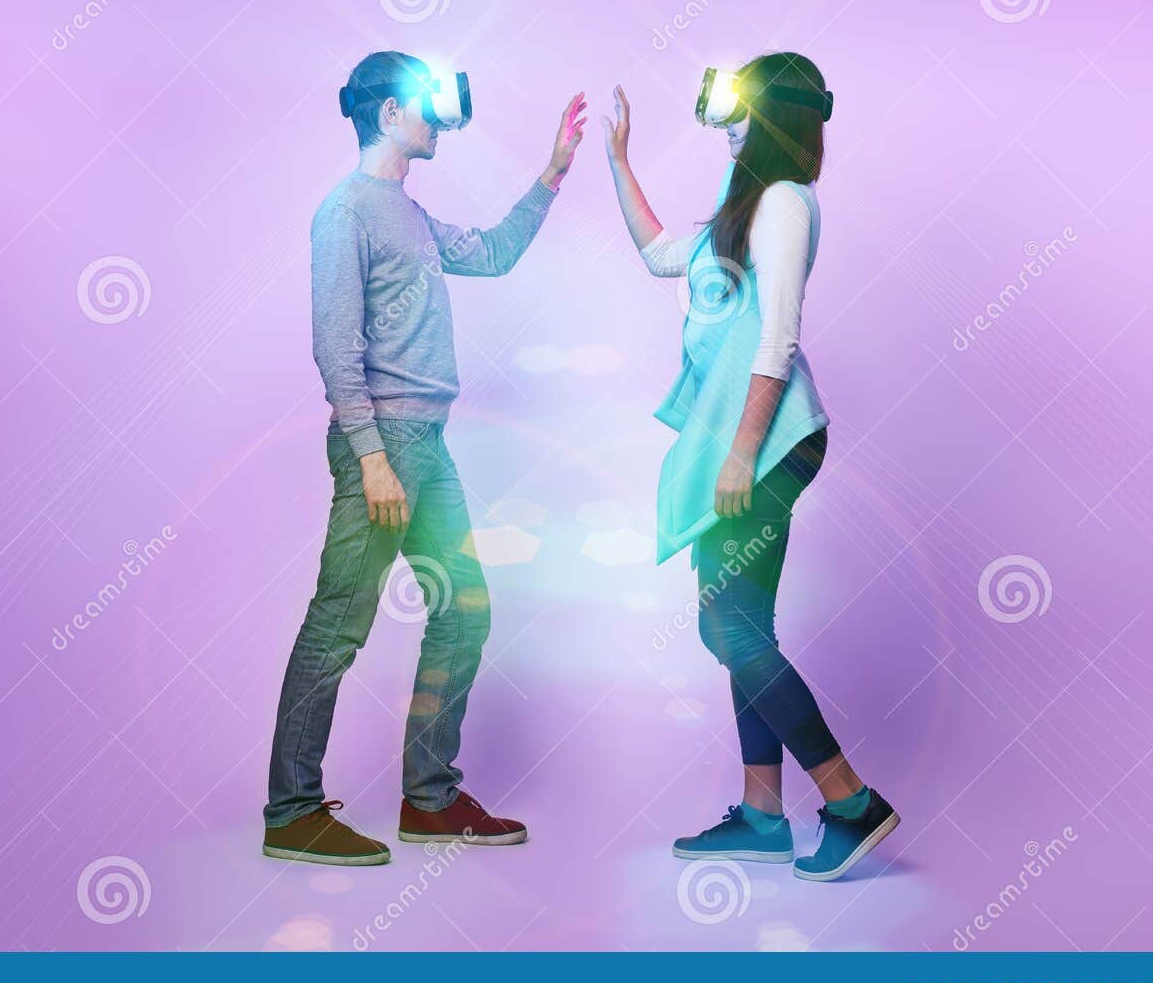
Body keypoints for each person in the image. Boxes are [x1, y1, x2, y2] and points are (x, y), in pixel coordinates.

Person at [263, 50, 586, 865]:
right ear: (386, 115)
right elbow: (335, 348)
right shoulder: (345, 213)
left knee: (463, 608)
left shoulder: (406, 212)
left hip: (425, 446)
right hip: (385, 446)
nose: (438, 116)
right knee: (339, 625)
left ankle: (429, 798)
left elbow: (494, 251)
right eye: (423, 103)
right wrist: (370, 458)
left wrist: (552, 170)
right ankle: (292, 810)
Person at [601, 52, 899, 881]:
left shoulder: (784, 205)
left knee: (726, 625)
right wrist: (619, 160)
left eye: (740, 108)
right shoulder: (744, 211)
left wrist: (741, 454)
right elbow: (663, 253)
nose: (724, 121)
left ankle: (850, 801)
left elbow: (779, 337)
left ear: (770, 118)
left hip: (767, 440)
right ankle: (764, 813)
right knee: (741, 626)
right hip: (747, 441)